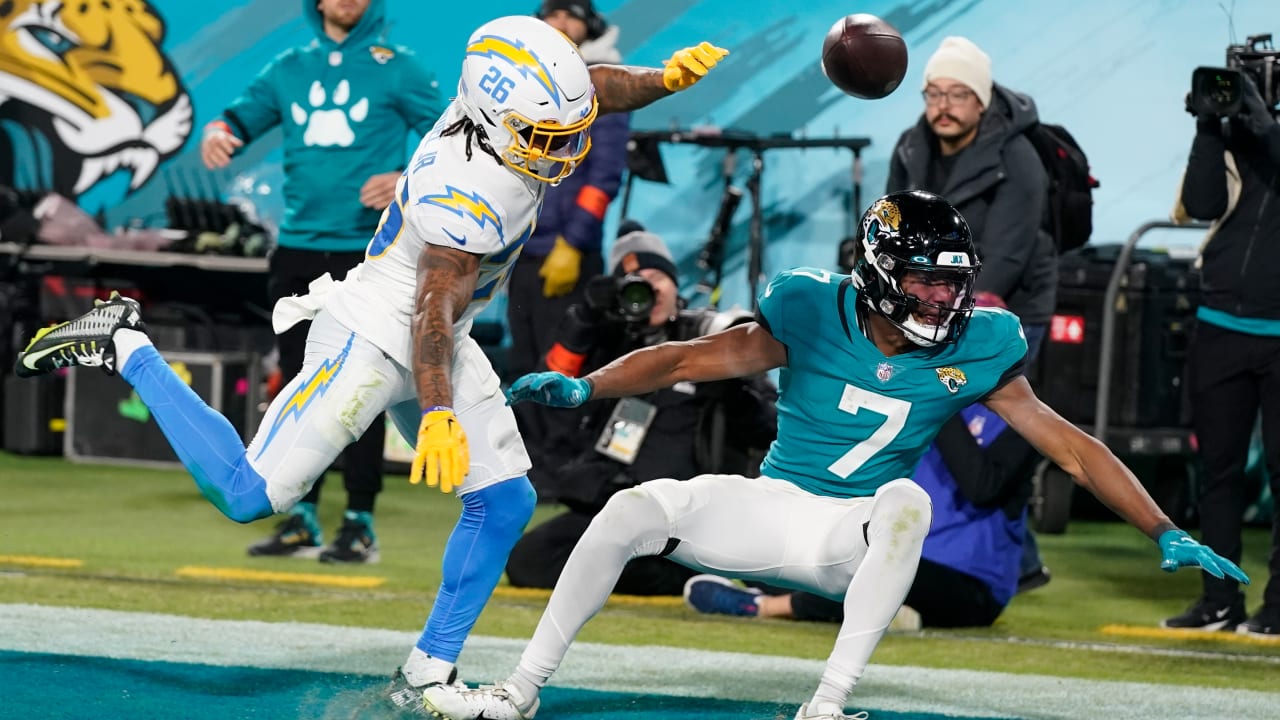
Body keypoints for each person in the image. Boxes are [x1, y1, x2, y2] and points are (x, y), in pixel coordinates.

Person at [12, 14, 729, 713]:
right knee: (248, 495)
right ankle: (124, 343)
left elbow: (594, 89)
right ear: (496, 118)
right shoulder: (468, 189)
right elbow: (432, 313)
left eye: (561, 133)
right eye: (546, 137)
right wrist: (439, 412)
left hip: (437, 330)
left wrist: (662, 77)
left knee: (504, 499)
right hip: (376, 331)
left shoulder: (495, 111)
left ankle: (427, 671)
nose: (560, 151)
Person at [421, 190, 1247, 720]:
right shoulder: (812, 308)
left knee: (909, 503)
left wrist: (1160, 527)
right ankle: (520, 687)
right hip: (777, 508)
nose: (942, 297)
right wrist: (583, 388)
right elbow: (679, 360)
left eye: (950, 280)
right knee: (632, 508)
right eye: (924, 281)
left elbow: (1071, 447)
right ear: (881, 273)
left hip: (853, 536)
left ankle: (828, 704)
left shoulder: (984, 344)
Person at [199, 0, 446, 563]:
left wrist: (406, 177)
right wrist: (218, 132)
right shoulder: (290, 66)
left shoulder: (399, 66)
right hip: (297, 250)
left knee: (362, 389)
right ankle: (300, 516)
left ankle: (359, 519)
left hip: (368, 251)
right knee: (296, 386)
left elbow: (452, 143)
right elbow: (234, 120)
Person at [505, 228, 777, 595]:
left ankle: (677, 568)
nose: (648, 291)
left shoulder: (709, 341)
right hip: (624, 509)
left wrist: (733, 387)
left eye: (656, 279)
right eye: (635, 284)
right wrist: (582, 320)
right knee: (528, 559)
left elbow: (768, 429)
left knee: (795, 580)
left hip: (695, 514)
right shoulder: (612, 346)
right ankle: (673, 574)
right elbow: (551, 391)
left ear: (675, 284)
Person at [885, 36, 1055, 591]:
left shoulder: (1018, 158)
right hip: (934, 303)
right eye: (934, 92)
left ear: (981, 100)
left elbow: (1007, 253)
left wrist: (948, 310)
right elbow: (891, 225)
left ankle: (1012, 558)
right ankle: (964, 550)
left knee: (1000, 433)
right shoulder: (912, 148)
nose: (943, 105)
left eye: (957, 93)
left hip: (1005, 310)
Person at [684, 400, 1037, 628]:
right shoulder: (913, 405)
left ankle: (765, 607)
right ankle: (890, 614)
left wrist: (941, 403)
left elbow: (983, 486)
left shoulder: (1023, 418)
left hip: (969, 584)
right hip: (897, 555)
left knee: (870, 568)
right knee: (778, 549)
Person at [1164, 71, 1280, 637]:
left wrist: (1268, 130)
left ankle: (1279, 605)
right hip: (1220, 327)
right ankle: (1219, 600)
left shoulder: (1264, 136)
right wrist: (1211, 125)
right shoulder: (1239, 136)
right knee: (1217, 473)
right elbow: (1203, 202)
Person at [506, 0, 630, 382]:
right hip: (519, 250)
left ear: (590, 25)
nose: (560, 23)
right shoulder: (520, 78)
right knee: (523, 362)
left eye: (570, 16)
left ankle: (561, 445)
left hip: (568, 256)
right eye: (552, 15)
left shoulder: (606, 81)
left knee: (564, 369)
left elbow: (604, 177)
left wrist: (573, 244)